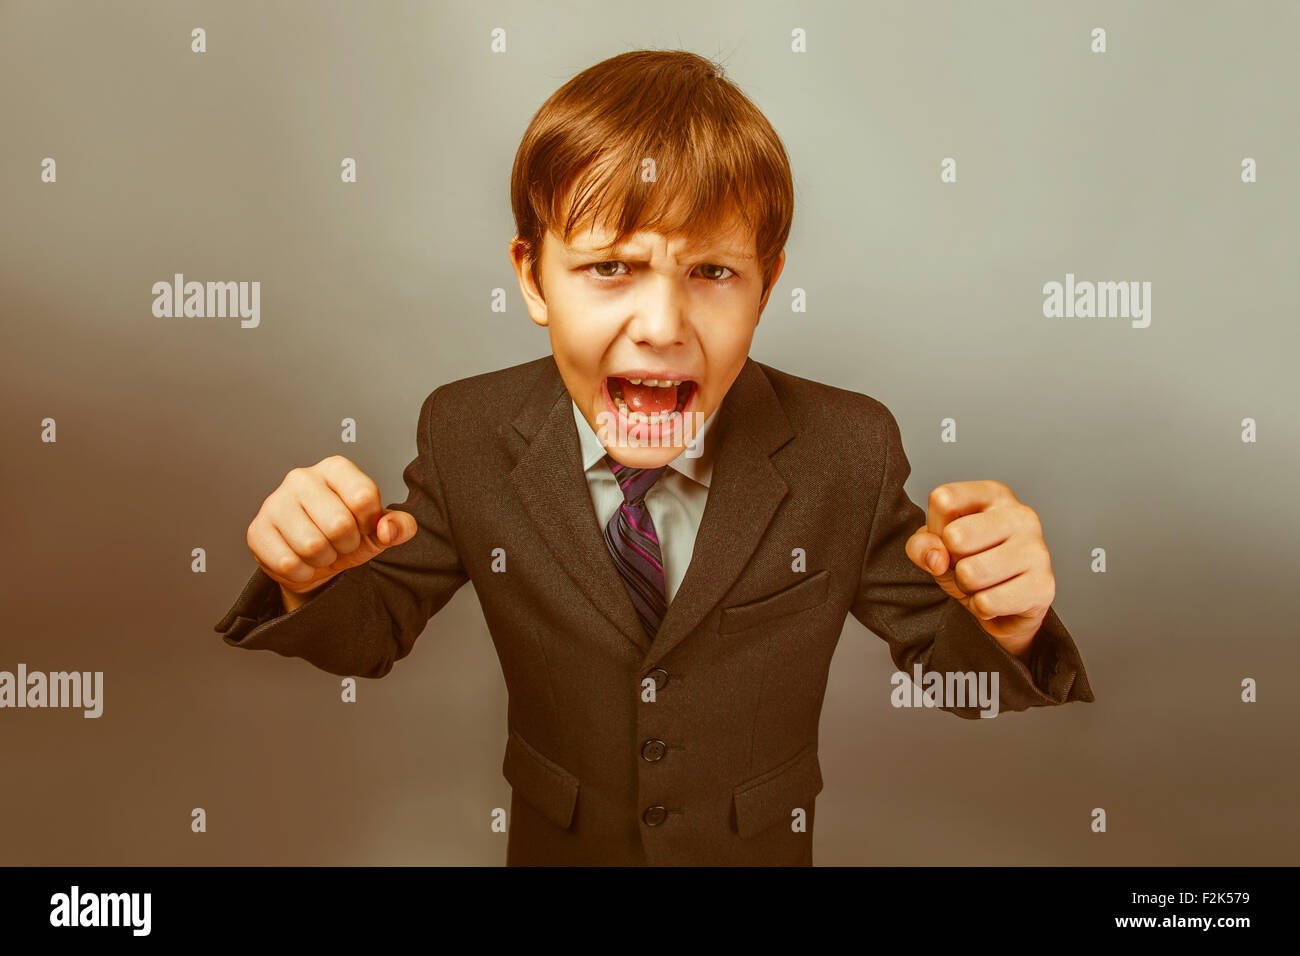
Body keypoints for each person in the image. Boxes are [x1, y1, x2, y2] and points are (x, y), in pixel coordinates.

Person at [214, 49, 1094, 866]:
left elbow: (962, 680)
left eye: (712, 273)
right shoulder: (467, 432)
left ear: (767, 285)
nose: (663, 326)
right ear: (532, 277)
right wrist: (307, 578)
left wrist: (1008, 623)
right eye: (609, 268)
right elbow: (368, 635)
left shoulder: (845, 450)